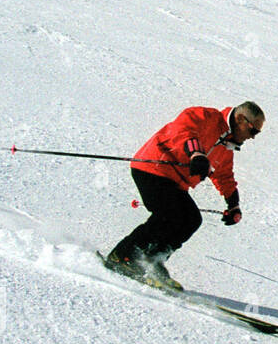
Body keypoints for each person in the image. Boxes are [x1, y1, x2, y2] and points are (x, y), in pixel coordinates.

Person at [104, 101, 265, 290]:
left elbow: (224, 176)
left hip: (175, 182)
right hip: (154, 167)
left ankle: (153, 260)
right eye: (253, 131)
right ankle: (122, 256)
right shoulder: (208, 117)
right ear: (240, 119)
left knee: (191, 219)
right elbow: (185, 130)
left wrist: (233, 204)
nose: (252, 138)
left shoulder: (226, 146)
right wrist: (196, 153)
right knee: (169, 214)